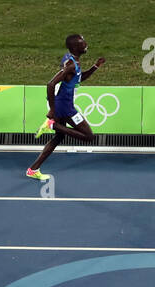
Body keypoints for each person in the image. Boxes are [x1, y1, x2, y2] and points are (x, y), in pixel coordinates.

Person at [27, 35, 104, 181]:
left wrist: (95, 67)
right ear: (75, 47)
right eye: (83, 43)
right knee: (89, 136)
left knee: (59, 137)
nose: (86, 45)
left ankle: (33, 169)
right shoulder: (71, 64)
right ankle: (52, 124)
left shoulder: (73, 61)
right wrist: (52, 110)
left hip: (64, 103)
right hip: (65, 106)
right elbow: (50, 85)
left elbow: (79, 78)